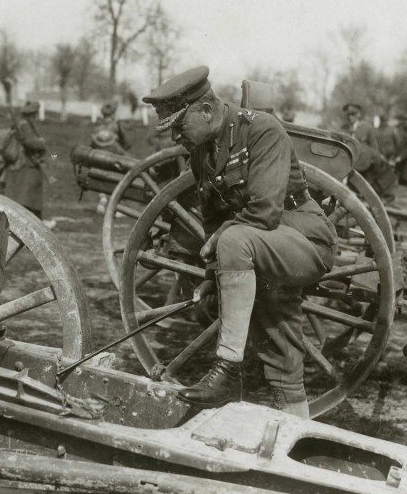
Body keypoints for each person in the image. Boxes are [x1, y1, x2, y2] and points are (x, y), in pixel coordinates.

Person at [143, 66, 337, 418]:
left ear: (205, 110)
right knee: (279, 335)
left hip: (305, 241)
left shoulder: (261, 130)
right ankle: (298, 427)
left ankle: (228, 370)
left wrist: (221, 242)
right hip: (259, 249)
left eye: (178, 126)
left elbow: (263, 213)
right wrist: (211, 277)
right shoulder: (201, 155)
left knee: (233, 239)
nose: (175, 138)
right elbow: (212, 221)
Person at [0, 100, 56, 228]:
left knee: (22, 195)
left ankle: (34, 220)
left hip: (19, 162)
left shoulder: (20, 123)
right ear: (32, 114)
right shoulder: (25, 125)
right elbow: (30, 143)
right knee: (29, 191)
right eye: (34, 115)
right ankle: (35, 221)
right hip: (23, 163)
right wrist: (41, 142)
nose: (35, 117)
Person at [339, 102, 396, 200]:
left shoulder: (367, 129)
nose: (350, 117)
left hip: (363, 164)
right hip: (345, 162)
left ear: (358, 115)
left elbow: (374, 149)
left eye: (353, 114)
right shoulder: (342, 129)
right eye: (348, 114)